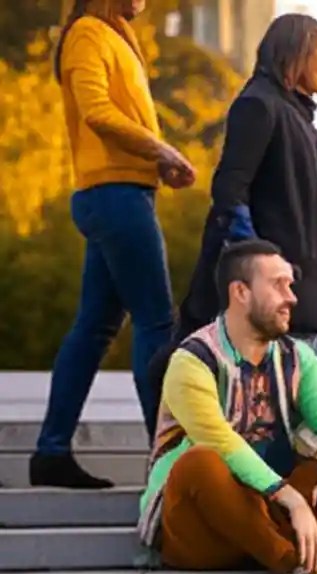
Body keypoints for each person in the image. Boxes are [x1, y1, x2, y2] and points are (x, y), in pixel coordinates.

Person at [137, 240, 317, 574]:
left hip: (265, 519)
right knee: (203, 461)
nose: (292, 297)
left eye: (291, 285)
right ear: (241, 292)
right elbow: (223, 442)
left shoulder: (298, 358)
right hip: (198, 529)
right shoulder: (191, 361)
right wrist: (291, 499)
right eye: (279, 285)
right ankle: (305, 572)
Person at [30, 0, 197, 489]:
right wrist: (160, 148)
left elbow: (119, 115)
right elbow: (97, 111)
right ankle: (166, 458)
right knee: (156, 322)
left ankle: (52, 453)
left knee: (95, 327)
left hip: (123, 191)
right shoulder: (86, 32)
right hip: (112, 195)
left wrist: (155, 162)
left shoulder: (117, 32)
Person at [173, 13, 317, 361]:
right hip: (267, 310)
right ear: (297, 49)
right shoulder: (258, 104)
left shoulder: (302, 122)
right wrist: (265, 262)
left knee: (297, 411)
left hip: (301, 305)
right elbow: (230, 191)